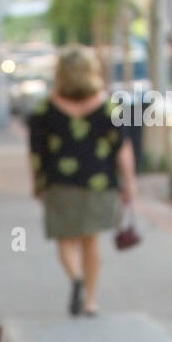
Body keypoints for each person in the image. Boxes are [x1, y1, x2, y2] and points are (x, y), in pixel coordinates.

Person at [28, 45, 136, 317]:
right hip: (99, 183)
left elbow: (36, 152)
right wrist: (130, 184)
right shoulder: (108, 105)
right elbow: (122, 148)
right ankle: (90, 300)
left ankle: (75, 277)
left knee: (65, 238)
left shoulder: (45, 109)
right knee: (91, 241)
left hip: (59, 182)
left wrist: (37, 183)